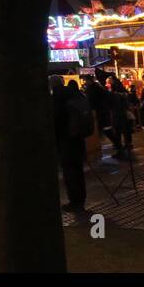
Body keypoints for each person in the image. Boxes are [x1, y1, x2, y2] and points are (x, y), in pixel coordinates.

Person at [51, 76, 89, 213]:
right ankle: (80, 199)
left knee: (69, 172)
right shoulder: (73, 94)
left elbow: (56, 121)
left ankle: (74, 201)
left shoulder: (57, 99)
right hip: (78, 139)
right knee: (78, 171)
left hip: (65, 141)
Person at [109, 78, 135, 160]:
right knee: (126, 131)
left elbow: (111, 105)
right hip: (124, 115)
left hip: (118, 116)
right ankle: (128, 144)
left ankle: (120, 151)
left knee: (118, 133)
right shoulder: (124, 94)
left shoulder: (113, 95)